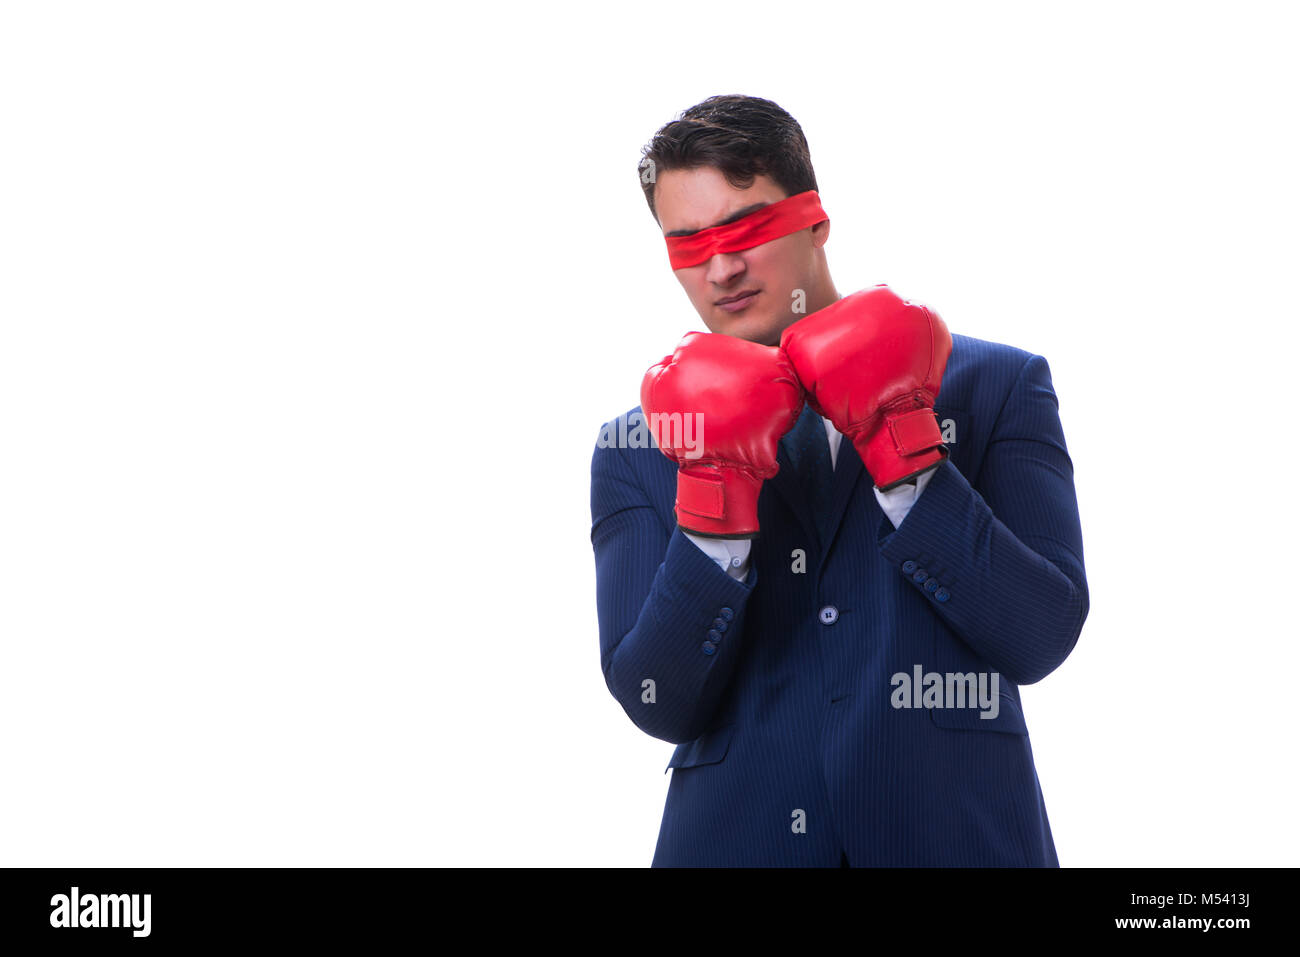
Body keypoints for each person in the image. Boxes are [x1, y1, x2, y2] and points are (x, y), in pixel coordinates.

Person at [589, 94, 1089, 867]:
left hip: (957, 839)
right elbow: (657, 698)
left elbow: (1043, 635)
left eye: (745, 228)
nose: (720, 267)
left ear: (816, 219)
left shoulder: (995, 384)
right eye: (687, 243)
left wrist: (908, 456)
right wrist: (711, 503)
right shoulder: (641, 443)